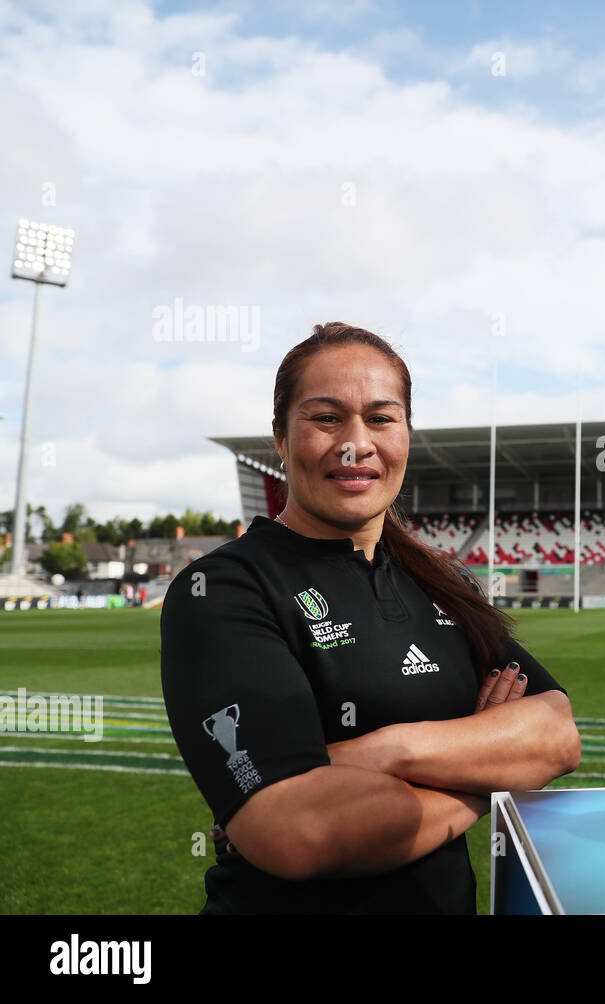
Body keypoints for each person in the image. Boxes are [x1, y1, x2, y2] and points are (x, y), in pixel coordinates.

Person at [160, 322, 581, 914]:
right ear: (280, 438)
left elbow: (556, 734)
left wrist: (383, 751)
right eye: (326, 418)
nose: (356, 444)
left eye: (381, 418)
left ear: (406, 433)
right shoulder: (224, 588)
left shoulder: (442, 580)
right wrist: (487, 780)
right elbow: (296, 832)